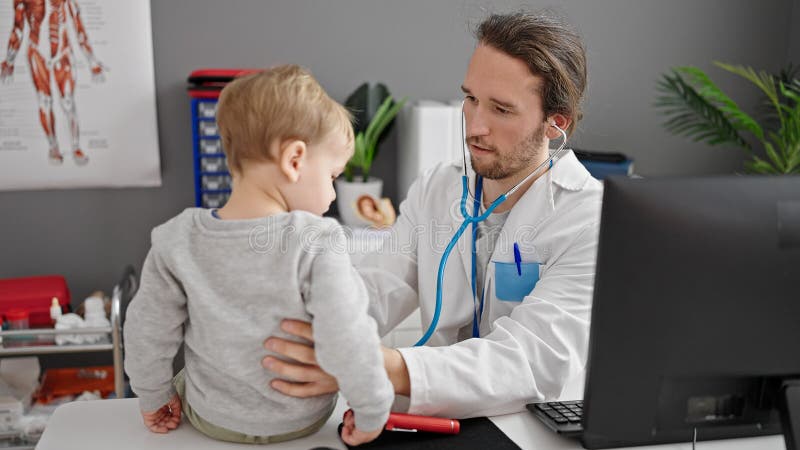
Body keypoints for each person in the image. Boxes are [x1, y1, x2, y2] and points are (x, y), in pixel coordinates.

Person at [262, 12, 604, 419]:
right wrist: (293, 331)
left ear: (555, 123)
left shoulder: (590, 219)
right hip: (436, 412)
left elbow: (527, 360)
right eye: (472, 99)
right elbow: (376, 289)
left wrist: (372, 364)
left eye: (501, 110)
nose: (474, 126)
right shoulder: (439, 188)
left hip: (529, 426)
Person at [124, 65, 393, 446]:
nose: (333, 194)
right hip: (301, 421)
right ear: (295, 160)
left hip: (212, 420)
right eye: (332, 176)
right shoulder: (318, 241)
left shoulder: (177, 238)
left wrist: (153, 396)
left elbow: (147, 332)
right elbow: (349, 336)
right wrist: (372, 411)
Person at [0, 0, 105, 165]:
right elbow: (18, 28)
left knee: (68, 101)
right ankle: (53, 146)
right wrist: (10, 60)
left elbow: (78, 25)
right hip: (37, 53)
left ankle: (76, 146)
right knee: (44, 102)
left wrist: (92, 61)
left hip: (62, 54)